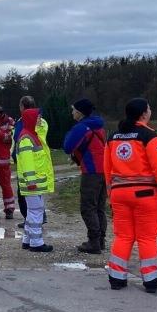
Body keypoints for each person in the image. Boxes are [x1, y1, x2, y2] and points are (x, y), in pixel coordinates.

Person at [105, 98, 157, 293]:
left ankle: (116, 278)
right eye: (149, 108)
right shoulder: (149, 136)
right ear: (144, 114)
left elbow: (107, 169)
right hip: (146, 195)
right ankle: (151, 281)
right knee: (146, 238)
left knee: (123, 236)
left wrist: (111, 193)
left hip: (119, 194)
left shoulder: (113, 137)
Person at [62, 98, 108, 254]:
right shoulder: (99, 125)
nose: (72, 112)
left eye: (74, 110)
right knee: (99, 207)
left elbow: (67, 146)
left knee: (88, 207)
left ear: (80, 113)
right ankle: (100, 240)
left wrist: (70, 132)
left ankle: (93, 242)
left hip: (91, 171)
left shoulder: (81, 127)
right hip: (104, 170)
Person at [15, 106, 55, 252]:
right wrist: (31, 181)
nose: (40, 119)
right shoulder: (27, 138)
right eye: (37, 117)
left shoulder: (31, 135)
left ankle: (27, 240)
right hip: (32, 183)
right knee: (36, 211)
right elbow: (27, 162)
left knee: (33, 211)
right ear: (31, 119)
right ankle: (36, 243)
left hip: (33, 183)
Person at [13, 95, 49, 225]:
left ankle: (32, 221)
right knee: (32, 195)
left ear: (22, 106)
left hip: (31, 162)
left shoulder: (35, 122)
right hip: (28, 161)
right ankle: (34, 219)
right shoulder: (30, 121)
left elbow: (19, 138)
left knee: (28, 194)